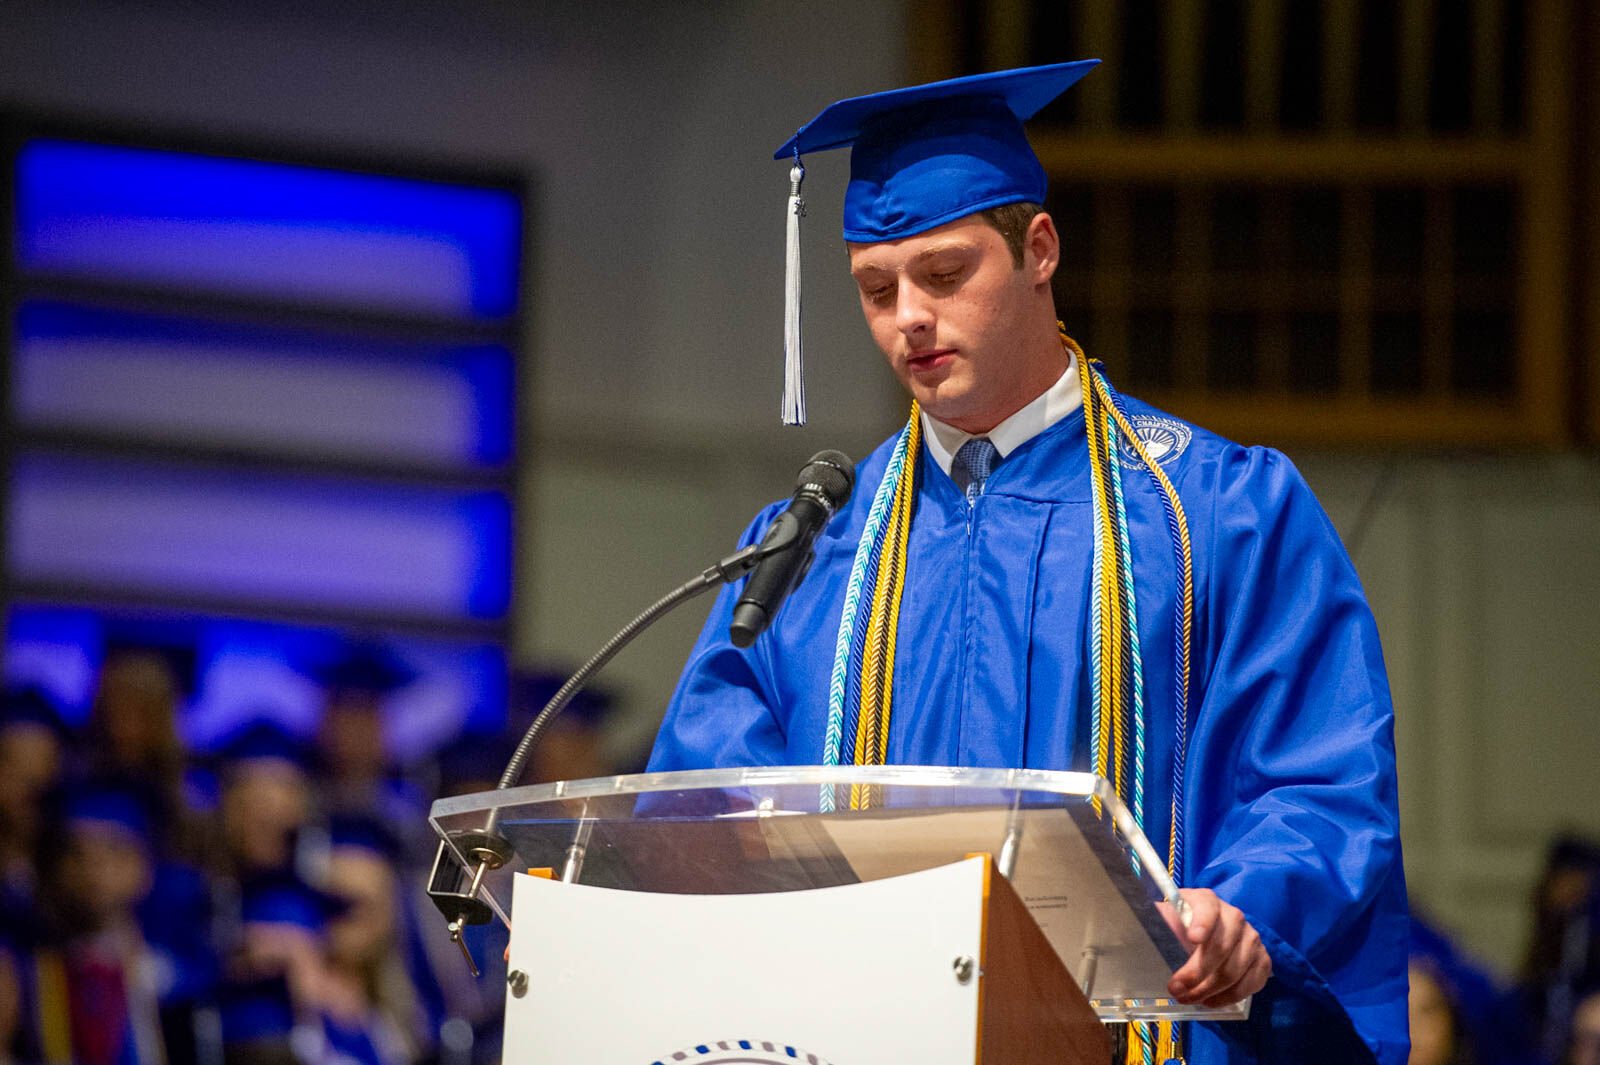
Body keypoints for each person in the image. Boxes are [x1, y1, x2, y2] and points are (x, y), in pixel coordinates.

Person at [646, 62, 1407, 1064]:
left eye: (944, 273)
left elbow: (1318, 781)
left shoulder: (1219, 511)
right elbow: (706, 798)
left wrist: (1244, 915)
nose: (907, 316)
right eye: (876, 290)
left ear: (1038, 249)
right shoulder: (818, 543)